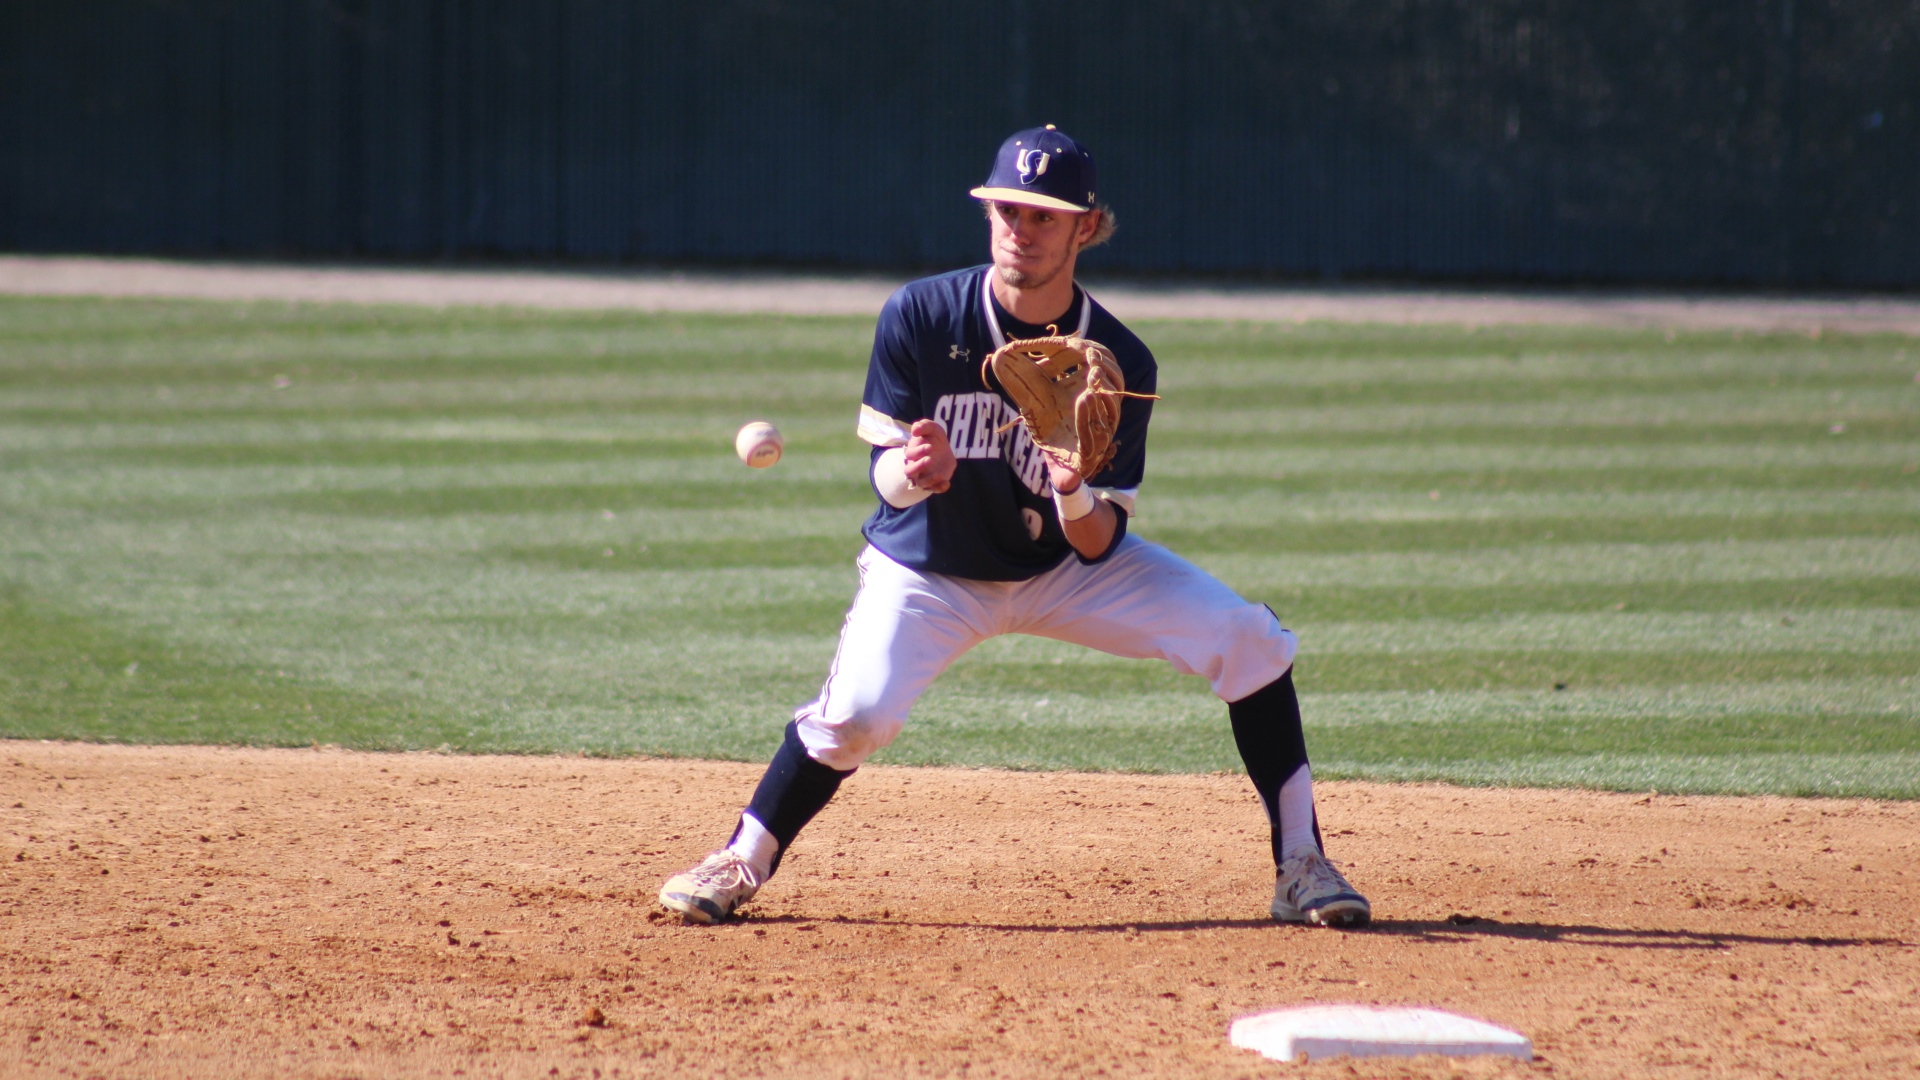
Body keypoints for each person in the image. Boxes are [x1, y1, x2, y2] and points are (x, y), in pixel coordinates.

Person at [659, 125, 1370, 928]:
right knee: (857, 715)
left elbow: (1101, 543)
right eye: (1007, 209)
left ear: (1085, 228)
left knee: (1249, 640)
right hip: (931, 569)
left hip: (1064, 572)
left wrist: (1073, 490)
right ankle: (742, 858)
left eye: (1043, 216)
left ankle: (1302, 865)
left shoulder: (1119, 360)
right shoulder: (921, 315)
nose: (1019, 230)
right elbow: (887, 482)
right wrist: (916, 473)